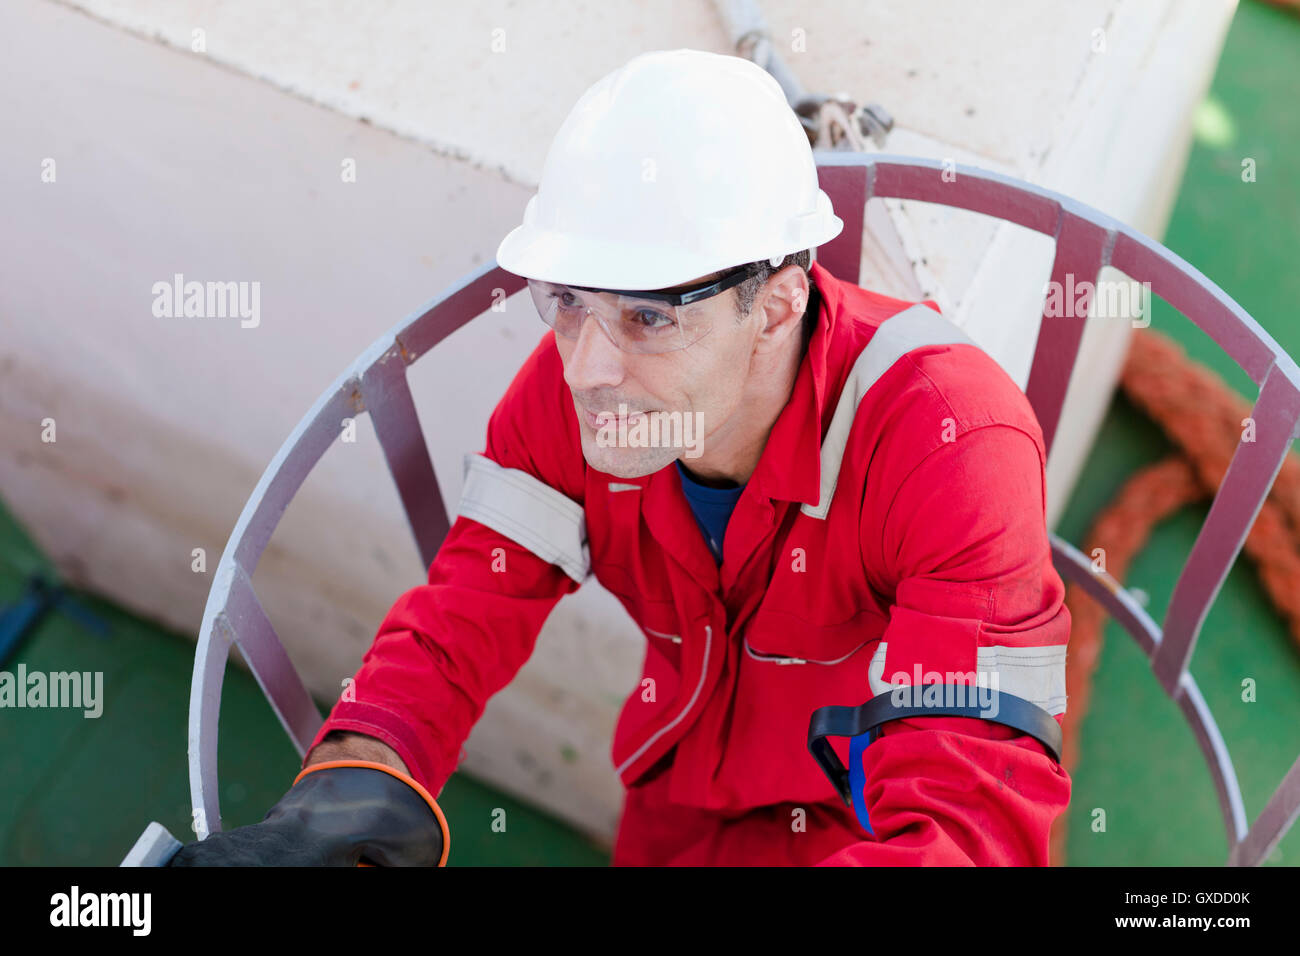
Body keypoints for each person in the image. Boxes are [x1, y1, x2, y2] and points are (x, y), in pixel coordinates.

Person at [171, 48, 1070, 867]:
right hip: (673, 794)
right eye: (566, 300)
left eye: (651, 315)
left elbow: (966, 818)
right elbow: (461, 616)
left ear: (776, 304)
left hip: (867, 816)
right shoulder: (579, 396)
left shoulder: (952, 447)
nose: (586, 369)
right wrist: (354, 780)